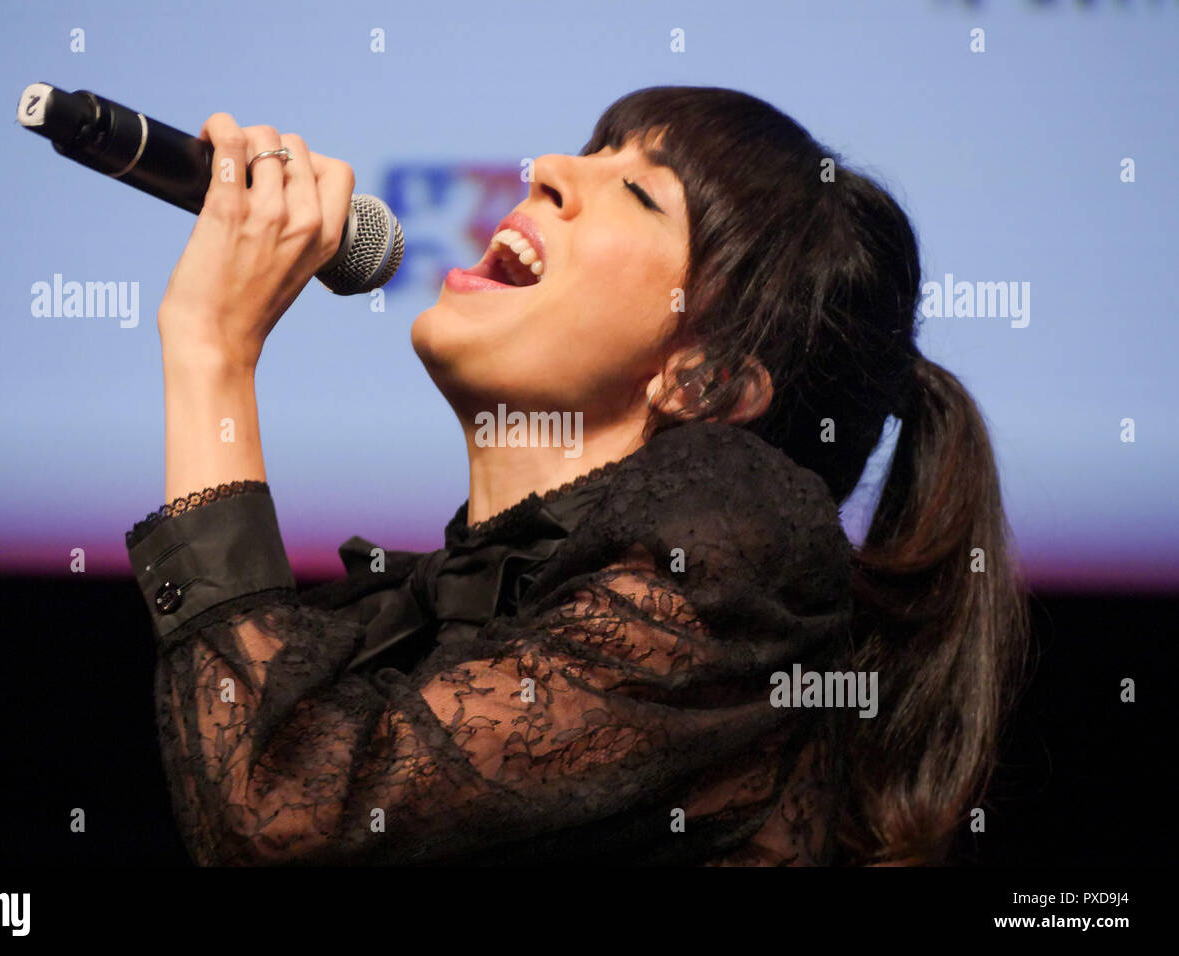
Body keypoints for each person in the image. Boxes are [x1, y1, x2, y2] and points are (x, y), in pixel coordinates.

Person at [126, 85, 1029, 866]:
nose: (549, 167)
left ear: (704, 378)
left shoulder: (742, 544)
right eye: (595, 147)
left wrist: (212, 347)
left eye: (637, 190)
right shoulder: (428, 614)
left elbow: (278, 813)